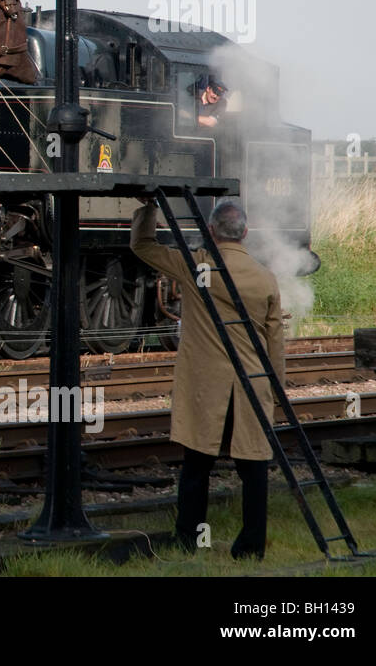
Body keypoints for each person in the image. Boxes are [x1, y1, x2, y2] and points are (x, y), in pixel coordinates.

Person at [129, 198, 285, 560]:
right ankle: (250, 547)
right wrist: (275, 389)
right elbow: (275, 340)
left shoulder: (197, 266)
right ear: (245, 233)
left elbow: (142, 245)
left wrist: (149, 208)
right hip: (252, 382)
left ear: (212, 231)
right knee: (254, 467)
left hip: (207, 387)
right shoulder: (266, 278)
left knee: (197, 464)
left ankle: (187, 539)